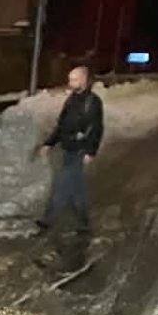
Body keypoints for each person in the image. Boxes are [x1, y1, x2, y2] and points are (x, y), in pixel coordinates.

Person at [37, 64, 104, 245]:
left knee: (62, 184)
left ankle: (47, 220)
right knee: (77, 191)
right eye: (70, 79)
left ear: (83, 80)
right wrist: (49, 143)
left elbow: (96, 129)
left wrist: (91, 151)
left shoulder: (93, 102)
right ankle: (84, 223)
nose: (70, 82)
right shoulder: (72, 99)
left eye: (74, 79)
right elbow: (61, 126)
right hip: (68, 149)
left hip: (80, 150)